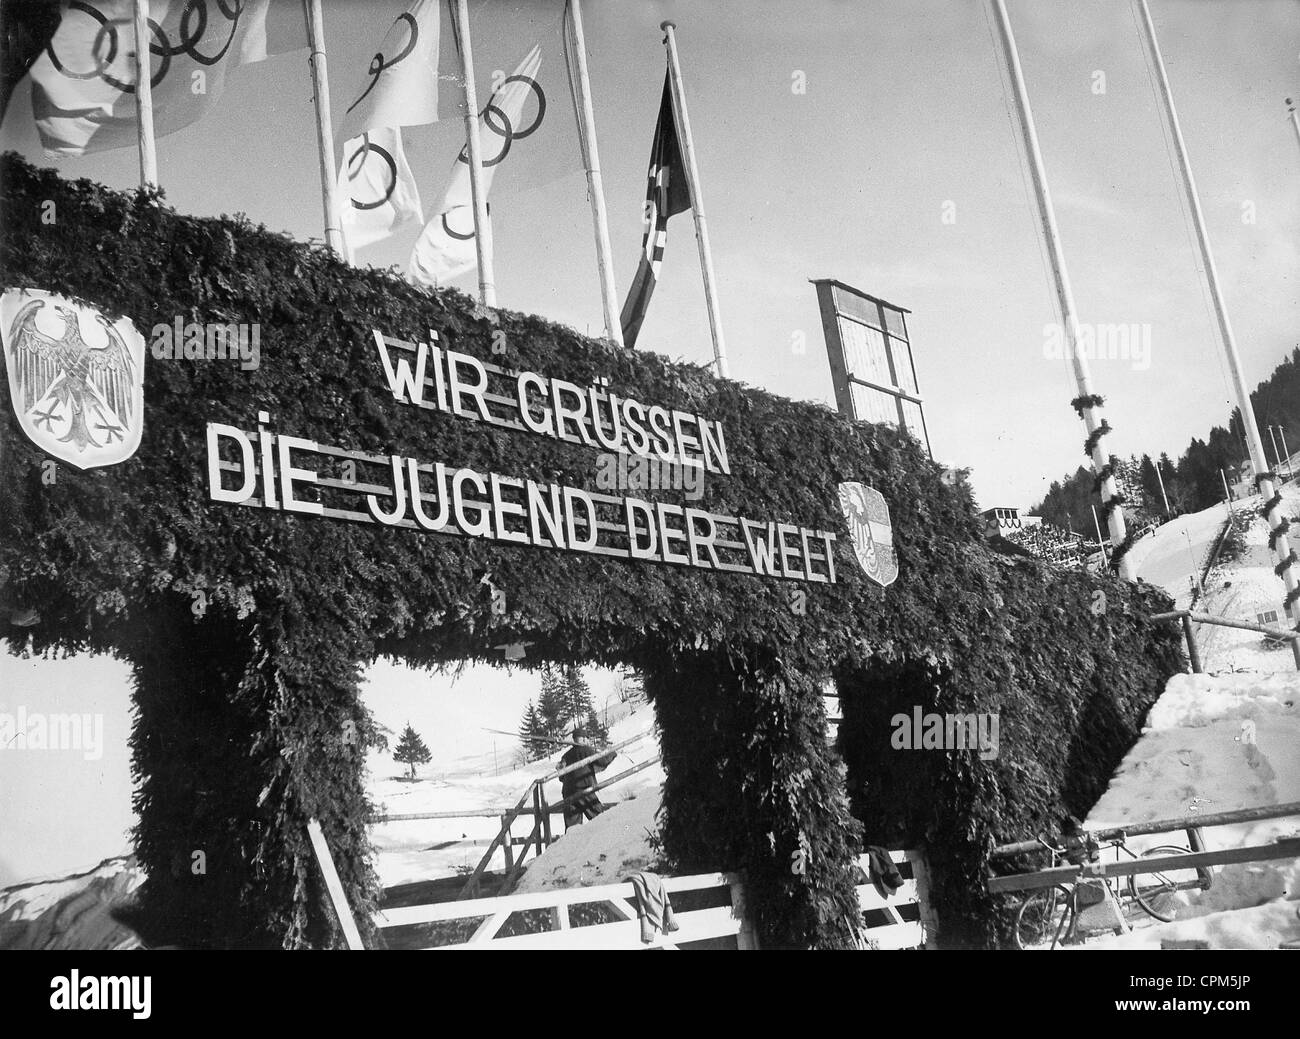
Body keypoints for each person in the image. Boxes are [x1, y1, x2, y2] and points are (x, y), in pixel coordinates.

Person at [558, 738, 616, 829]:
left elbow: (561, 777)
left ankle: (573, 843)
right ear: (583, 739)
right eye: (585, 738)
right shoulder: (586, 750)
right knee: (600, 818)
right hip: (584, 789)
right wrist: (612, 752)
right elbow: (602, 761)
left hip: (568, 793)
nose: (586, 740)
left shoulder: (565, 756)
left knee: (572, 829)